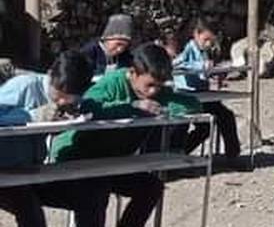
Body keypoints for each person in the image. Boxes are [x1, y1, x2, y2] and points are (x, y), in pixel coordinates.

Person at [50, 44, 201, 227]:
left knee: (151, 188)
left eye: (158, 87)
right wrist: (132, 107)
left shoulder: (156, 94)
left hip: (114, 162)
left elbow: (192, 105)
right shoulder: (112, 83)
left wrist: (162, 108)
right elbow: (90, 108)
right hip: (79, 157)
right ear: (133, 73)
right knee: (95, 192)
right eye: (149, 85)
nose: (153, 91)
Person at [0, 52, 108, 227]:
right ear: (50, 74)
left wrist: (62, 125)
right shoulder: (25, 86)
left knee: (91, 197)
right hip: (5, 172)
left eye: (69, 97)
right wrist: (32, 115)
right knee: (29, 208)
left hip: (32, 170)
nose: (62, 100)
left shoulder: (71, 100)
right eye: (58, 94)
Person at [171, 18, 241, 162]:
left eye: (212, 41)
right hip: (185, 96)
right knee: (183, 126)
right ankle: (174, 156)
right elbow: (177, 64)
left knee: (226, 116)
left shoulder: (205, 51)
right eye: (206, 39)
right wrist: (200, 66)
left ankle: (233, 156)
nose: (209, 44)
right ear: (196, 34)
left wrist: (217, 73)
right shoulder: (188, 48)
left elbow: (205, 72)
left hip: (203, 95)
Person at [80, 13, 135, 77]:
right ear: (107, 39)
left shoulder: (125, 56)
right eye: (118, 44)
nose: (120, 49)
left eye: (125, 47)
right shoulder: (89, 52)